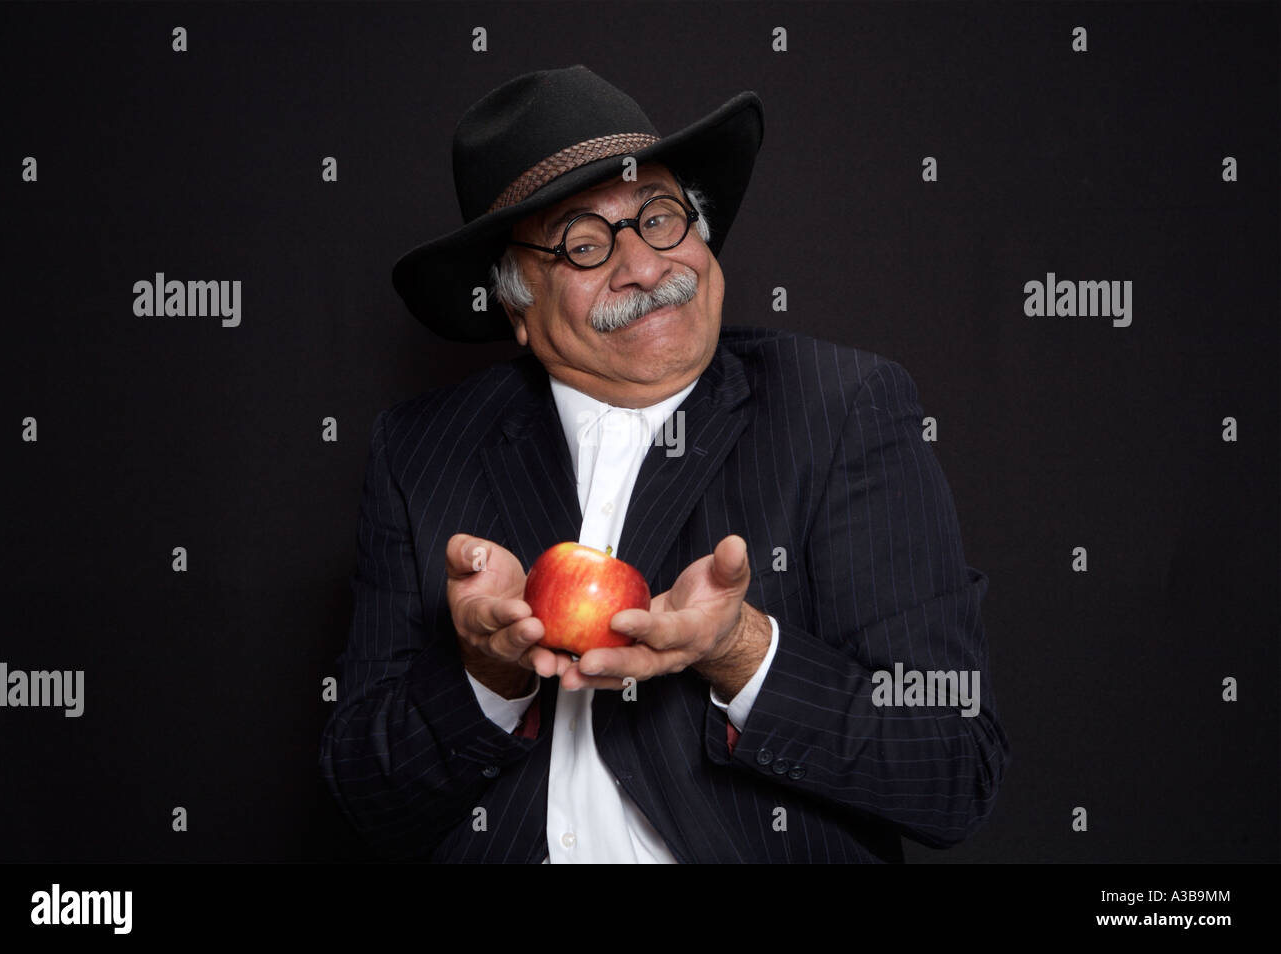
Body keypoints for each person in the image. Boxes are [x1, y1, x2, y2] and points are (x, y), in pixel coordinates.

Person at [319, 65, 1010, 863]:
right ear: (515, 305)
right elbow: (363, 795)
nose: (645, 267)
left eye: (660, 217)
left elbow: (954, 768)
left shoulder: (841, 407)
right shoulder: (420, 449)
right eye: (583, 244)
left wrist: (743, 650)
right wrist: (485, 675)